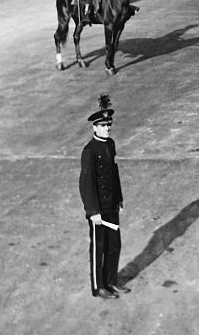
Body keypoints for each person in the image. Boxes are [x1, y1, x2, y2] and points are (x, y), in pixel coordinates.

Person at [79, 95, 129, 299]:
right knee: (98, 248)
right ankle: (98, 287)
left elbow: (114, 172)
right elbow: (85, 183)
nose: (107, 128)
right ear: (94, 128)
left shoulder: (110, 145)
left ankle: (110, 281)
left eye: (109, 125)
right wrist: (92, 212)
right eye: (103, 125)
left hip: (111, 205)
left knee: (114, 245)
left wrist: (119, 198)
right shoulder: (89, 151)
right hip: (98, 209)